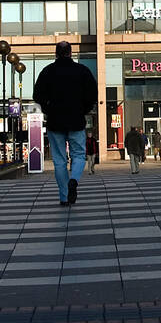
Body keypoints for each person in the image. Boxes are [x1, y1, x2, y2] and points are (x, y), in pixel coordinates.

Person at [33, 41, 99, 205]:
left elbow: (37, 96)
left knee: (59, 160)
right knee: (78, 155)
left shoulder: (47, 72)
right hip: (76, 120)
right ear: (71, 53)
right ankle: (74, 181)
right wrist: (83, 109)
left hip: (55, 122)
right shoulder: (82, 71)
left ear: (56, 54)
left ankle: (63, 196)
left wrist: (48, 109)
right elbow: (92, 95)